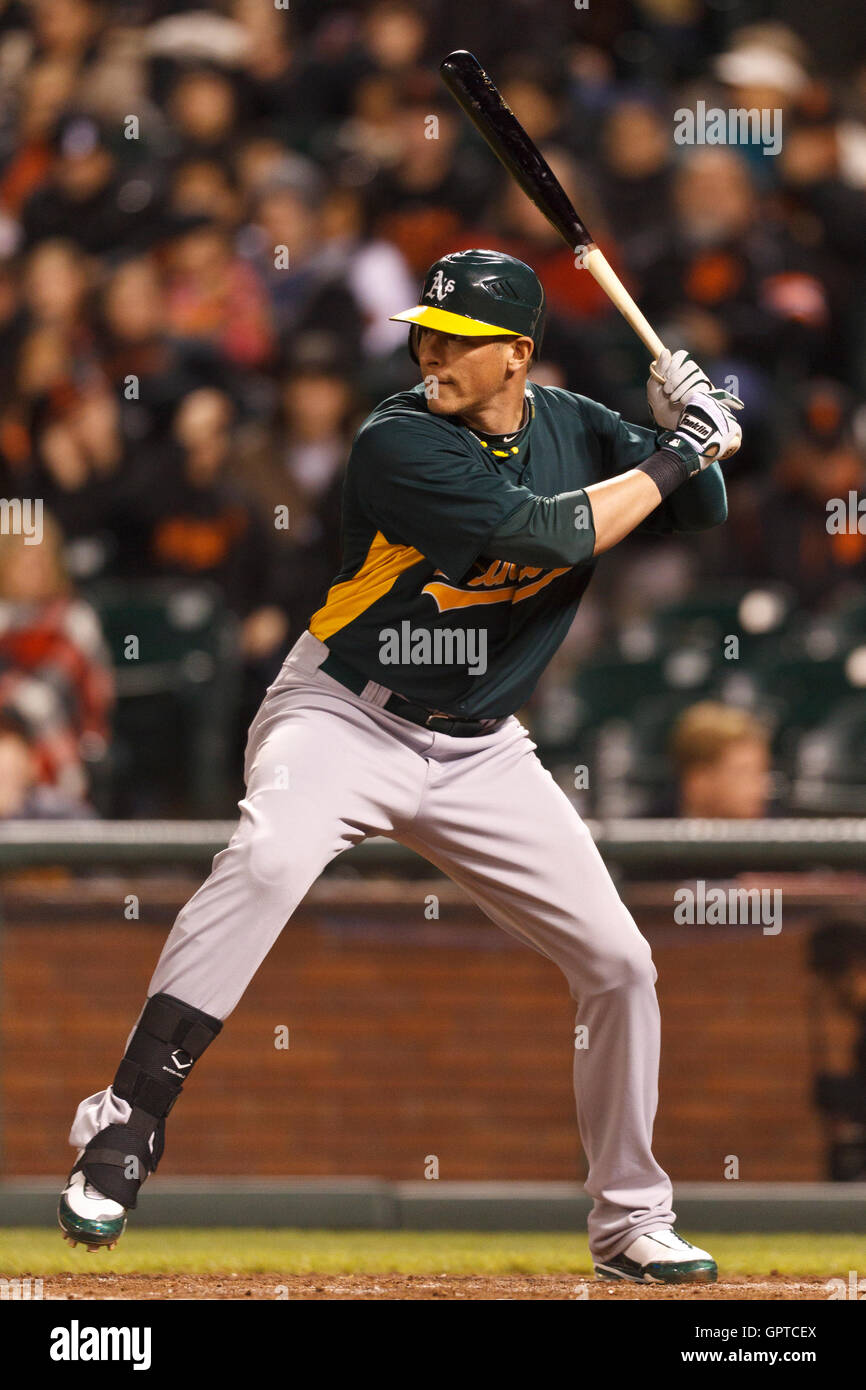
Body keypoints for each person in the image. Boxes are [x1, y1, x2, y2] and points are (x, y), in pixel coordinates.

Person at [59, 248, 742, 1285]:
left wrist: (694, 432)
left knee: (620, 964)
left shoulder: (572, 423)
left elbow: (703, 514)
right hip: (341, 712)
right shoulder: (397, 437)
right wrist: (674, 452)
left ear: (517, 354)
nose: (430, 351)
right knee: (271, 858)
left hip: (482, 748)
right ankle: (126, 1121)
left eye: (456, 340)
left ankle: (631, 1220)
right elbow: (545, 535)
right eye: (424, 331)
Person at [670, 701, 772, 819]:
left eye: (761, 772)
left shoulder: (781, 833)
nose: (761, 787)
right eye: (742, 772)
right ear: (698, 779)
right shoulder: (649, 830)